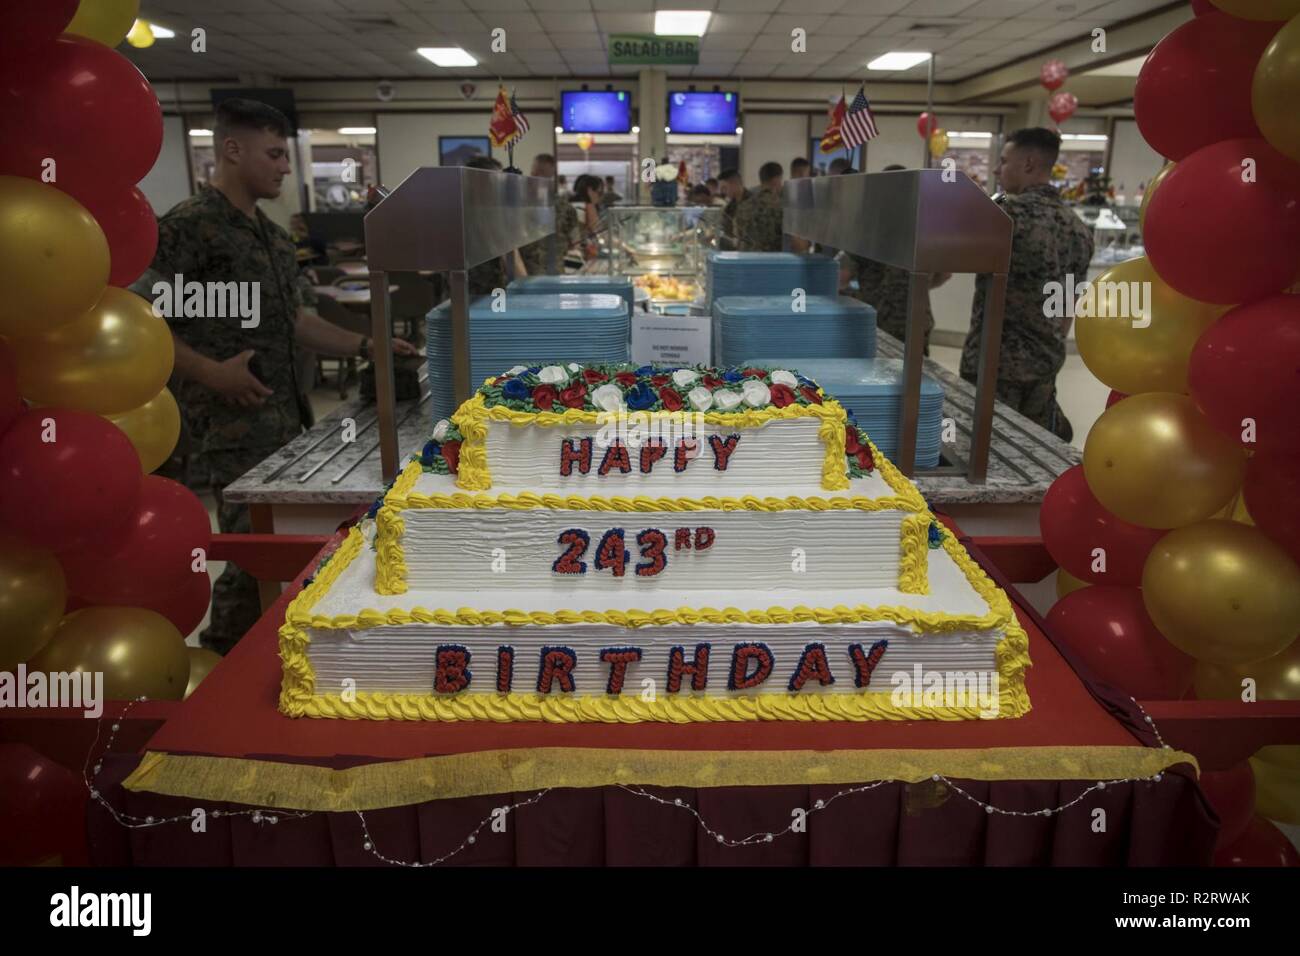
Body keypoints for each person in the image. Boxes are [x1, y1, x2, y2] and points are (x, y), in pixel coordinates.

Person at [131, 98, 416, 654]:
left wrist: (369, 345)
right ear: (231, 151)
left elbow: (299, 323)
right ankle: (219, 671)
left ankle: (266, 655)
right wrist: (211, 372)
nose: (286, 167)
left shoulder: (272, 234)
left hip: (286, 419)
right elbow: (141, 319)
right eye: (275, 154)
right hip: (229, 427)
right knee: (247, 558)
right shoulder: (191, 229)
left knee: (281, 551)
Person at [960, 127, 1093, 441]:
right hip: (1045, 364)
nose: (996, 169)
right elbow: (1068, 304)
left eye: (1004, 161)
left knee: (984, 455)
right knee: (1034, 451)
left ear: (1029, 164)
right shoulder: (1079, 228)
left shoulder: (1003, 216)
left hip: (993, 365)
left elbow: (945, 260)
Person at [842, 164, 950, 354]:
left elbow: (843, 275)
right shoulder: (925, 224)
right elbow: (945, 273)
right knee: (916, 379)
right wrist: (917, 286)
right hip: (916, 321)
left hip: (878, 323)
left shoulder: (869, 227)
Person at [464, 155, 526, 293]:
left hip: (477, 298)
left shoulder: (463, 210)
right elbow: (517, 269)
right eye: (497, 182)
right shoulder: (487, 214)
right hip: (480, 299)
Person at [519, 152, 578, 275]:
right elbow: (575, 240)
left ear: (533, 173)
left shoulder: (518, 205)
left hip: (526, 275)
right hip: (555, 274)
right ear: (553, 176)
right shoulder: (565, 206)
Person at [734, 161, 786, 253]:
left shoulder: (743, 206)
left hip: (746, 260)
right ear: (776, 180)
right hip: (772, 261)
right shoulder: (782, 207)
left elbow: (738, 235)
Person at [570, 174, 605, 264]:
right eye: (599, 193)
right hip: (576, 258)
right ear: (589, 190)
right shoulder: (587, 206)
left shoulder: (572, 204)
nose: (600, 197)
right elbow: (597, 230)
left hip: (568, 254)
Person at [717, 168, 749, 249]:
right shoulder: (730, 207)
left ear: (734, 184)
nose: (722, 191)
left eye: (724, 187)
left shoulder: (753, 203)